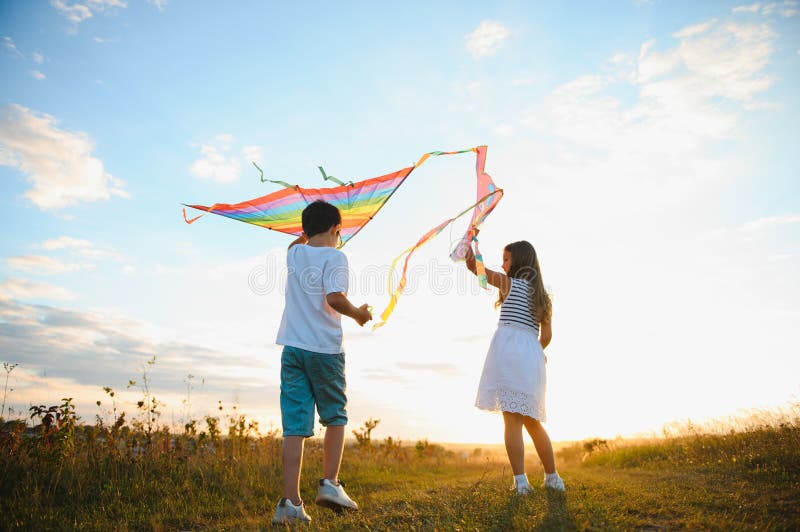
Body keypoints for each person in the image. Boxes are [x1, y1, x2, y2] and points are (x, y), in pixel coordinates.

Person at [272, 200, 372, 524]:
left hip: (292, 350)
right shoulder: (336, 256)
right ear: (336, 229)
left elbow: (293, 244)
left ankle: (290, 503)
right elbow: (334, 298)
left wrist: (304, 237)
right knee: (335, 416)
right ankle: (330, 483)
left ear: (304, 230)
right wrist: (358, 314)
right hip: (324, 352)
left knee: (295, 427)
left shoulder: (295, 254)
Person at [465, 237, 565, 494]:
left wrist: (471, 250)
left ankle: (521, 482)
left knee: (511, 421)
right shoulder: (544, 296)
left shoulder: (509, 284)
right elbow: (547, 336)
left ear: (518, 260)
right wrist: (534, 351)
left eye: (507, 258)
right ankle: (553, 478)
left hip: (509, 356)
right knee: (533, 421)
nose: (503, 263)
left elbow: (477, 271)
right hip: (532, 359)